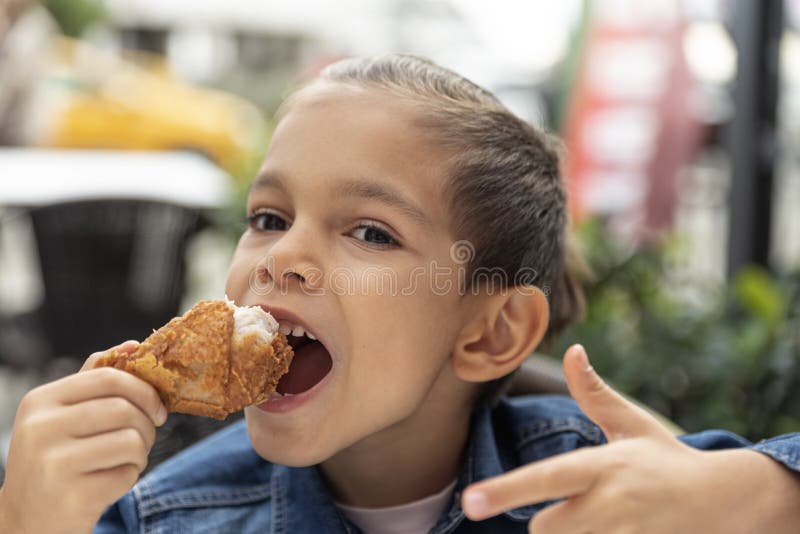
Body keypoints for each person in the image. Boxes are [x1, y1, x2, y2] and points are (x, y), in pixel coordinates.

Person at [1, 54, 799, 533]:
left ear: (489, 333)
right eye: (269, 216)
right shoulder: (159, 517)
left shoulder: (604, 489)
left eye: (371, 232)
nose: (285, 258)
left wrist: (760, 493)